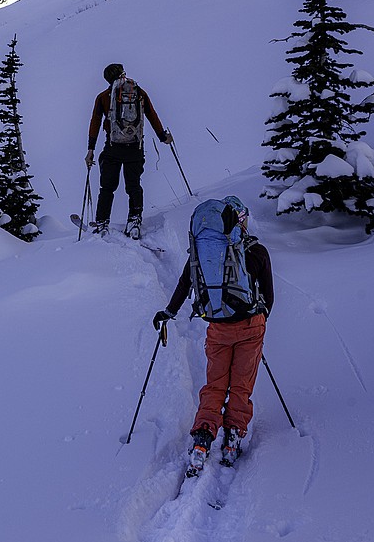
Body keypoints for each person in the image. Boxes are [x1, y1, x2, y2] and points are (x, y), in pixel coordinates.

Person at [152, 196, 274, 473]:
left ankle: (203, 438)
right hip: (251, 327)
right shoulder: (257, 252)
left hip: (218, 326)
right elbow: (269, 299)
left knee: (215, 385)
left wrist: (169, 313)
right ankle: (232, 438)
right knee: (241, 385)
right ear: (240, 221)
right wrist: (258, 322)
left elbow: (186, 283)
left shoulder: (204, 255)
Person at [85, 63, 173, 237]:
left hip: (112, 149)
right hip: (135, 148)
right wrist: (163, 136)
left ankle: (102, 223)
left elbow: (94, 122)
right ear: (124, 74)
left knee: (107, 187)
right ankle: (134, 220)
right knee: (133, 186)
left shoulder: (103, 97)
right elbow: (152, 115)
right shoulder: (139, 93)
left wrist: (90, 149)